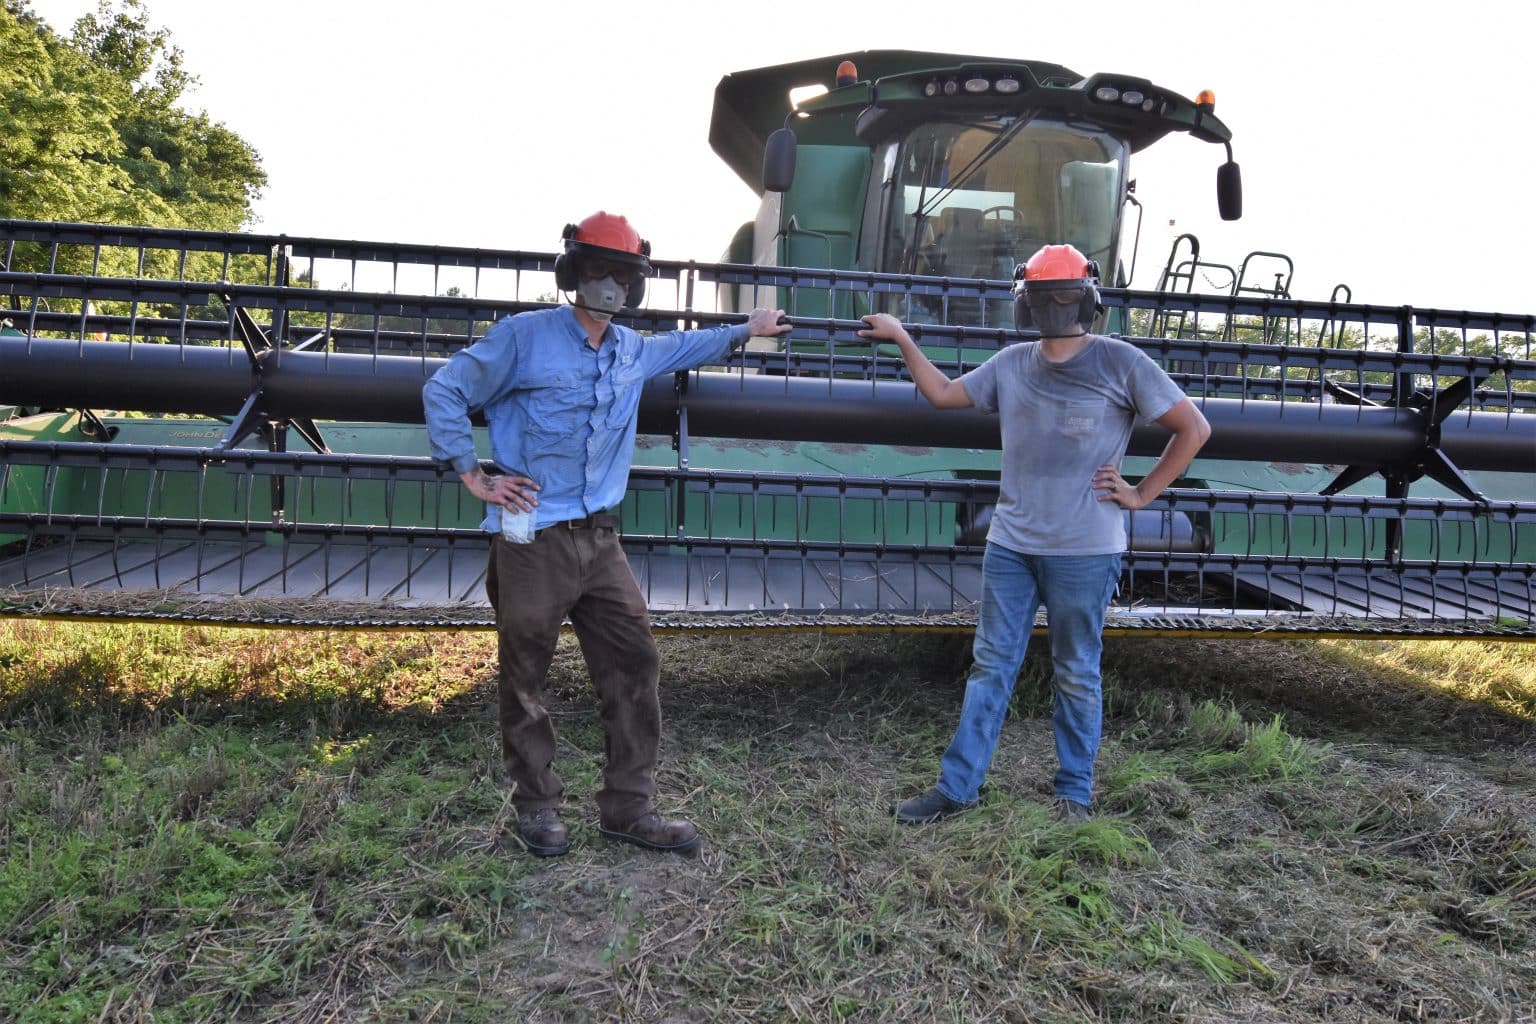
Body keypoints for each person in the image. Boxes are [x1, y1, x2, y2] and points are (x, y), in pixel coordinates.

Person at [423, 212, 790, 856]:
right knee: (524, 673)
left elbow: (690, 346)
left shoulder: (632, 349)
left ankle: (628, 809)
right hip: (529, 533)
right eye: (598, 271)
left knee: (634, 661)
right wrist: (473, 474)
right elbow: (446, 388)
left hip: (600, 538)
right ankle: (536, 807)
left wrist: (746, 330)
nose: (610, 285)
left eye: (622, 273)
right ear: (573, 272)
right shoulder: (523, 339)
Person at [858, 243, 1210, 824]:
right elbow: (946, 396)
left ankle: (1074, 793)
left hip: (1084, 551)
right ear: (1085, 297)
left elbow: (1193, 427)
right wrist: (901, 338)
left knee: (1073, 670)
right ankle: (958, 788)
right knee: (995, 666)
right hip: (1012, 546)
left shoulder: (1121, 363)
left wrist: (1142, 494)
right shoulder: (1013, 363)